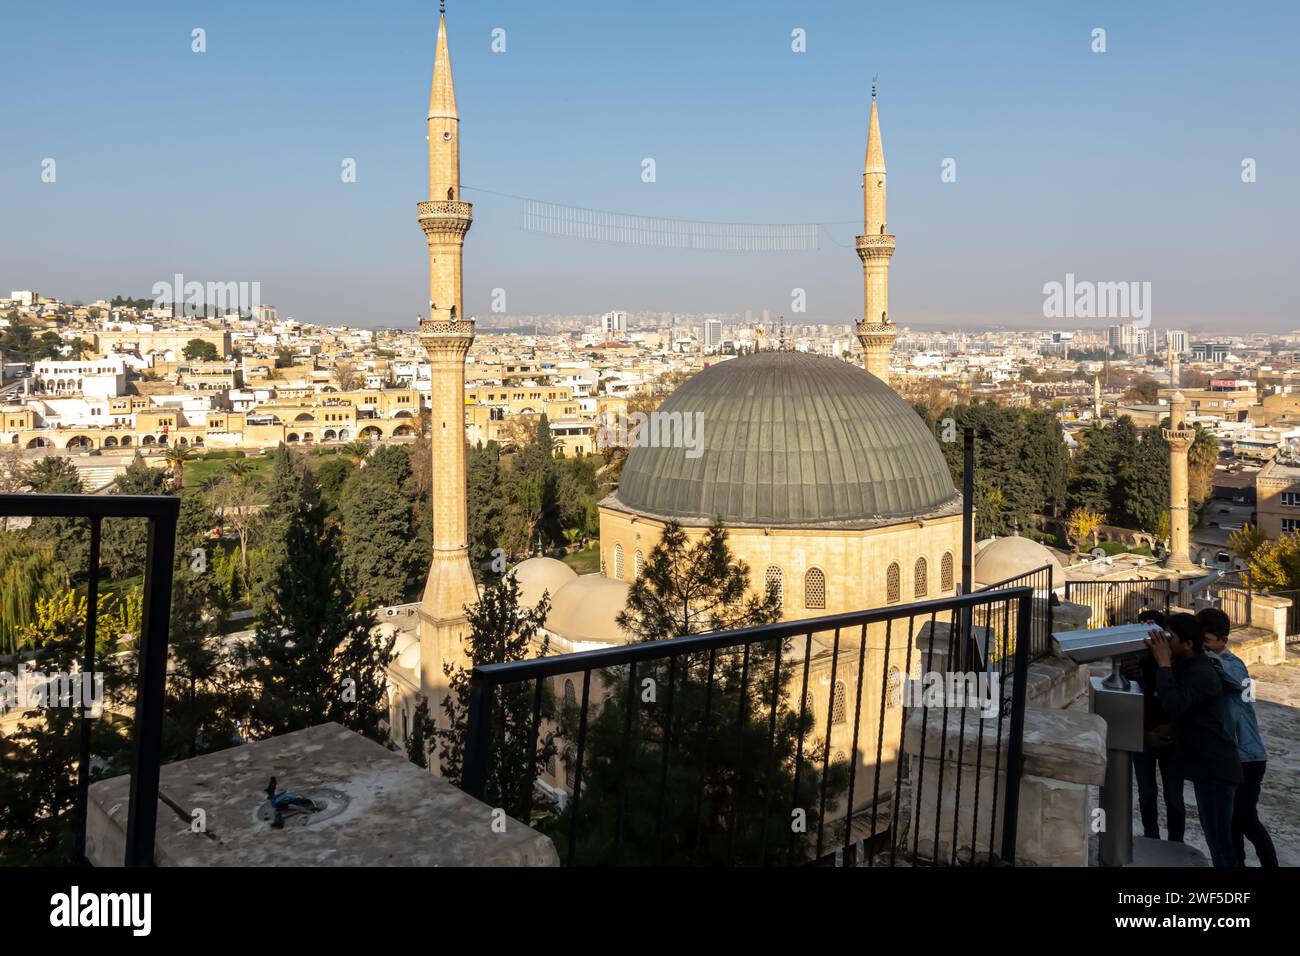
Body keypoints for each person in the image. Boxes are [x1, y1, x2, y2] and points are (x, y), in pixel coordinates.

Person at [1146, 613, 1242, 867]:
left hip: (1216, 768)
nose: (1165, 642)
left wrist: (1164, 663)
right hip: (1206, 767)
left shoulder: (1201, 671)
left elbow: (1174, 702)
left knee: (1220, 844)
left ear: (1188, 644)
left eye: (1171, 638)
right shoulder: (1190, 664)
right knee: (1217, 840)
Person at [1196, 608, 1278, 867]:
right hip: (1230, 755)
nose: (1204, 648)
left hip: (1248, 756)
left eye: (1208, 642)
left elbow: (1237, 680)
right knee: (1231, 820)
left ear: (1223, 641)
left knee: (1245, 819)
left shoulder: (1232, 664)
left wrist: (1208, 660)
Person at [1128, 609, 1184, 842]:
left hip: (1172, 740)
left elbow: (1184, 703)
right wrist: (1143, 735)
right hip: (1144, 738)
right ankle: (1151, 836)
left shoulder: (1176, 665)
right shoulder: (1132, 662)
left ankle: (1175, 841)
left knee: (1174, 796)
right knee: (1146, 793)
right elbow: (1126, 705)